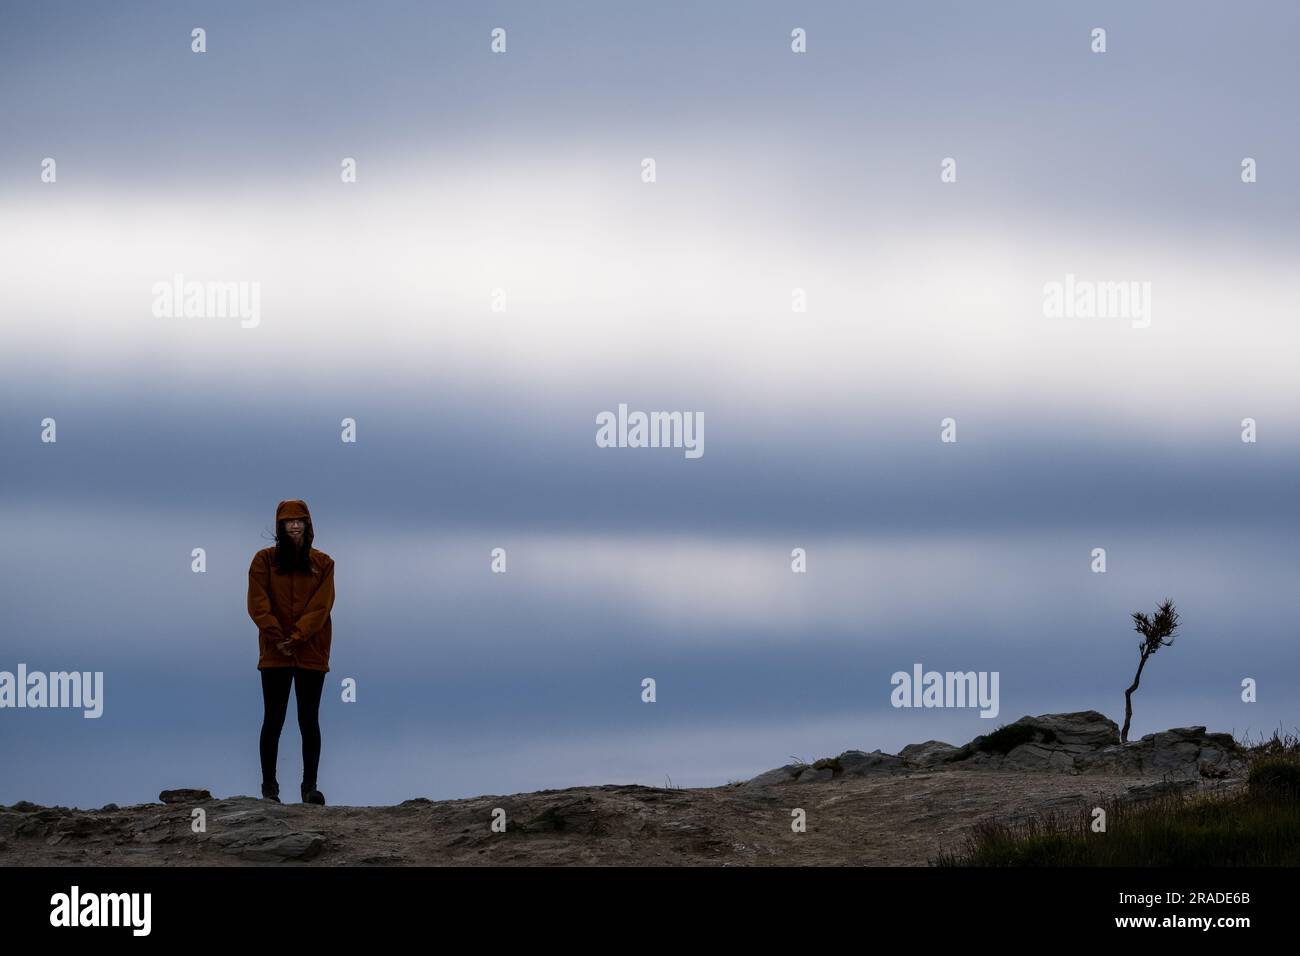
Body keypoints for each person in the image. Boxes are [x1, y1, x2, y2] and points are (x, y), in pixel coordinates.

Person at [247, 499, 336, 805]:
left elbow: (322, 606)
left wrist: (297, 637)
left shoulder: (323, 564)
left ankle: (309, 788)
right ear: (279, 526)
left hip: (311, 650)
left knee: (308, 720)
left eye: (300, 520)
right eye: (288, 521)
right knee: (273, 718)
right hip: (275, 652)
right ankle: (269, 789)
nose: (294, 525)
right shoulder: (263, 561)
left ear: (308, 525)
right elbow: (258, 604)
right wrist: (277, 635)